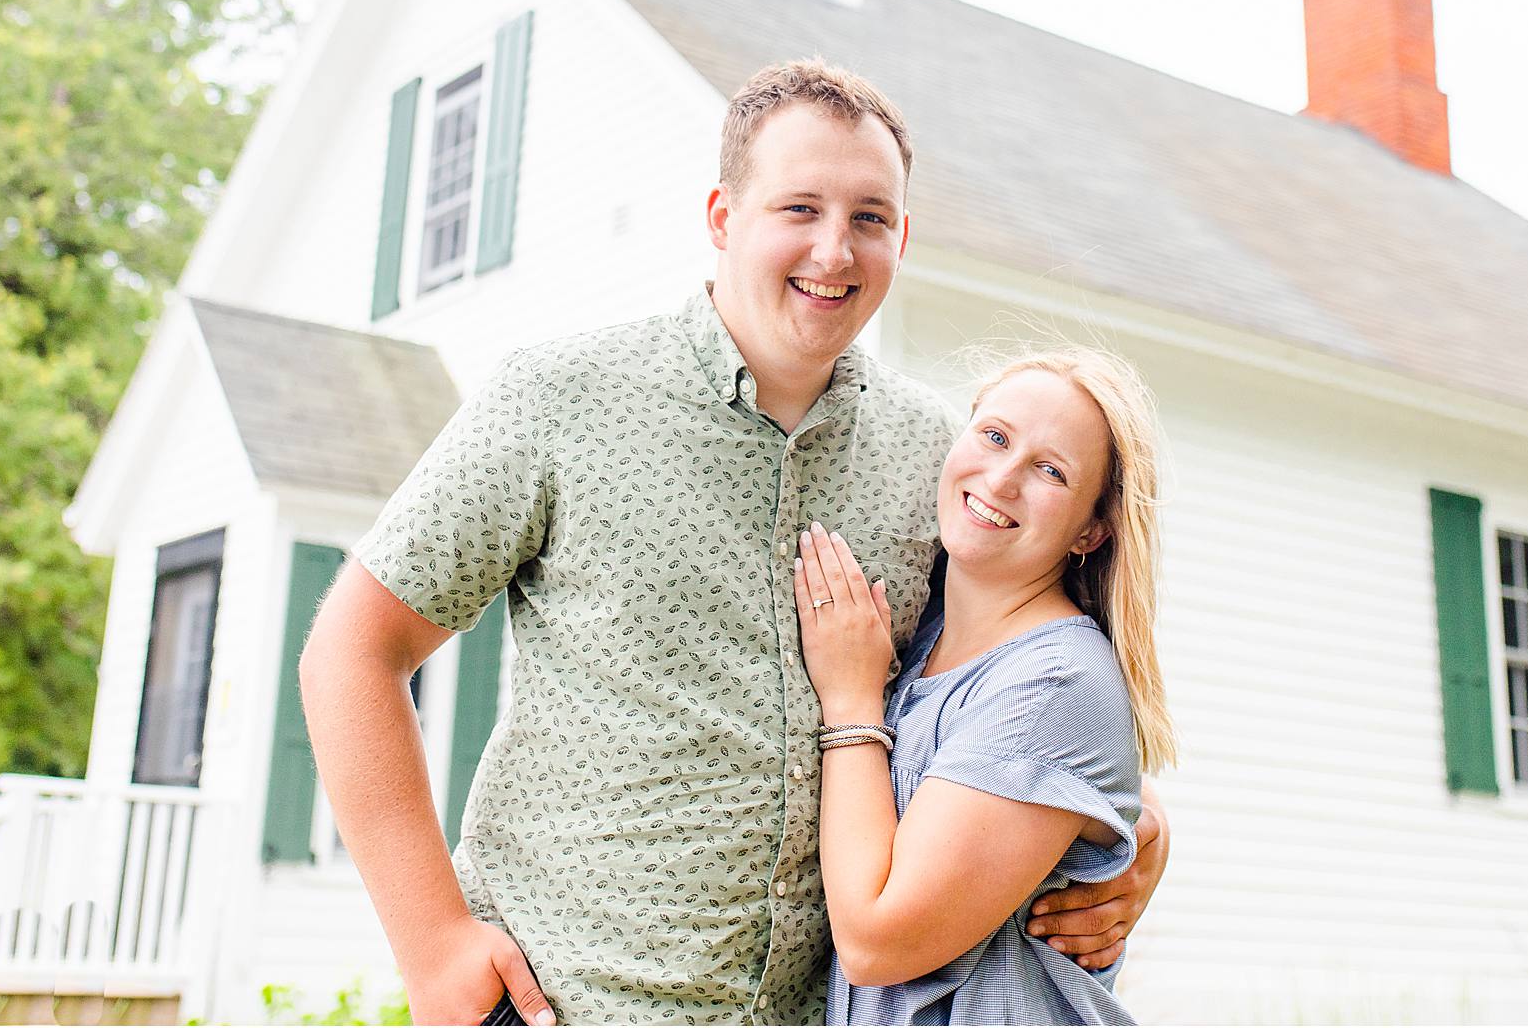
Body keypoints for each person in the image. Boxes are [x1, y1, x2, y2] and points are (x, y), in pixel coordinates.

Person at [300, 60, 1171, 1025]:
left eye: (870, 219)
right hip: (564, 1005)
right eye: (798, 208)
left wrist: (1133, 835)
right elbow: (352, 650)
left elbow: (1003, 694)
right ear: (723, 216)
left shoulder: (943, 463)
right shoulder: (559, 400)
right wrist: (432, 945)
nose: (834, 251)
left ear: (903, 238)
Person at [795, 349, 1175, 1024]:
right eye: (994, 436)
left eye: (1050, 470)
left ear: (1091, 529)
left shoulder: (1058, 680)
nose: (1000, 479)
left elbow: (877, 941)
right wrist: (1146, 823)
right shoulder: (929, 625)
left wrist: (851, 698)